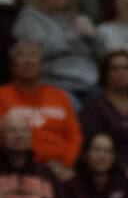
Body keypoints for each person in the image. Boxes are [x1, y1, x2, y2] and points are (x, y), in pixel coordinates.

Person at [11, 0, 100, 107]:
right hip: (56, 86)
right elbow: (37, 51)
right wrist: (76, 36)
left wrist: (93, 37)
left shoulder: (79, 17)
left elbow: (104, 56)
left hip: (92, 86)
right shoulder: (29, 17)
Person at [0, 39, 82, 175]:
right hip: (15, 168)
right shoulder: (2, 95)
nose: (28, 61)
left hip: (59, 168)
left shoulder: (60, 96)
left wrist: (66, 163)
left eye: (33, 56)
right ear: (12, 65)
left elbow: (74, 136)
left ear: (41, 65)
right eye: (21, 56)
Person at [78, 50, 128, 182]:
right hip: (108, 173)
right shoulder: (94, 106)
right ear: (104, 73)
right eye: (114, 68)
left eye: (125, 68)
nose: (121, 72)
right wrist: (126, 170)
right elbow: (92, 146)